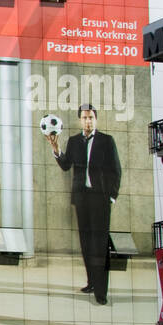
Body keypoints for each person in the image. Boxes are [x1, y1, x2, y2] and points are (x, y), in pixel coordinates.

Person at [47, 103, 122, 305]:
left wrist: (111, 196)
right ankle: (91, 282)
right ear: (80, 120)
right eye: (84, 118)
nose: (88, 121)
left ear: (95, 119)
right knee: (86, 243)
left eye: (91, 118)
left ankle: (101, 292)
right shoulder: (74, 141)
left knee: (100, 246)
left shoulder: (107, 141)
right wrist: (56, 149)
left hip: (100, 199)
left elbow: (116, 170)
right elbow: (66, 166)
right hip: (82, 199)